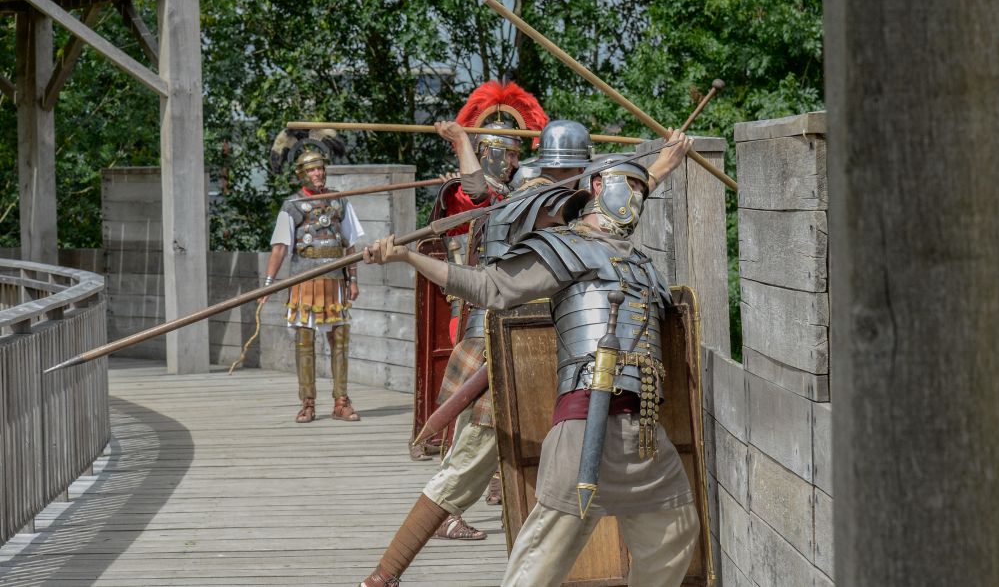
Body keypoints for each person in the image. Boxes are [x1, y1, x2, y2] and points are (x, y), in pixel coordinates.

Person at [363, 130, 698, 587]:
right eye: (631, 186)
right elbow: (490, 287)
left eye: (644, 189)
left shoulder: (638, 261)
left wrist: (663, 164)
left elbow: (628, 188)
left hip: (642, 428)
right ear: (596, 184)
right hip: (586, 419)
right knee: (544, 551)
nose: (639, 196)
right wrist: (407, 257)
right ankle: (384, 574)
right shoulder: (564, 238)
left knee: (675, 529)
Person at [357, 119, 596, 587]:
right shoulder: (523, 202)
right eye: (507, 153)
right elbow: (477, 195)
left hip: (538, 347)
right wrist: (462, 142)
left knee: (532, 470)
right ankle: (383, 576)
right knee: (466, 464)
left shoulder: (526, 198)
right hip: (506, 348)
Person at [261, 145, 365, 423]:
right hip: (304, 283)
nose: (318, 173)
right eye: (312, 170)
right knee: (305, 342)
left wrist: (353, 279)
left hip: (335, 283)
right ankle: (307, 403)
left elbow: (350, 244)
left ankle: (341, 402)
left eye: (320, 168)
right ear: (301, 174)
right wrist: (268, 283)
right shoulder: (292, 206)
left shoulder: (339, 201)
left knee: (340, 341)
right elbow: (280, 248)